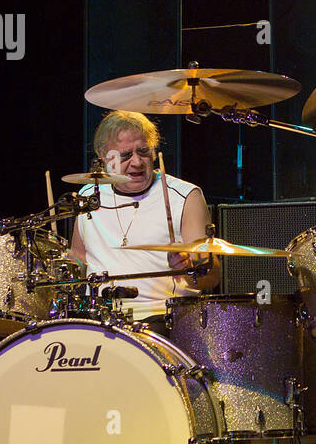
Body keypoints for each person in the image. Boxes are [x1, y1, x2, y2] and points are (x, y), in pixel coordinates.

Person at [70, 111, 220, 325]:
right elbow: (79, 258)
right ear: (103, 155)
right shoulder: (88, 196)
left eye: (143, 151)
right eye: (125, 155)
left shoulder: (184, 196)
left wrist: (190, 270)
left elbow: (212, 277)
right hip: (100, 321)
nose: (137, 162)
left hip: (165, 322)